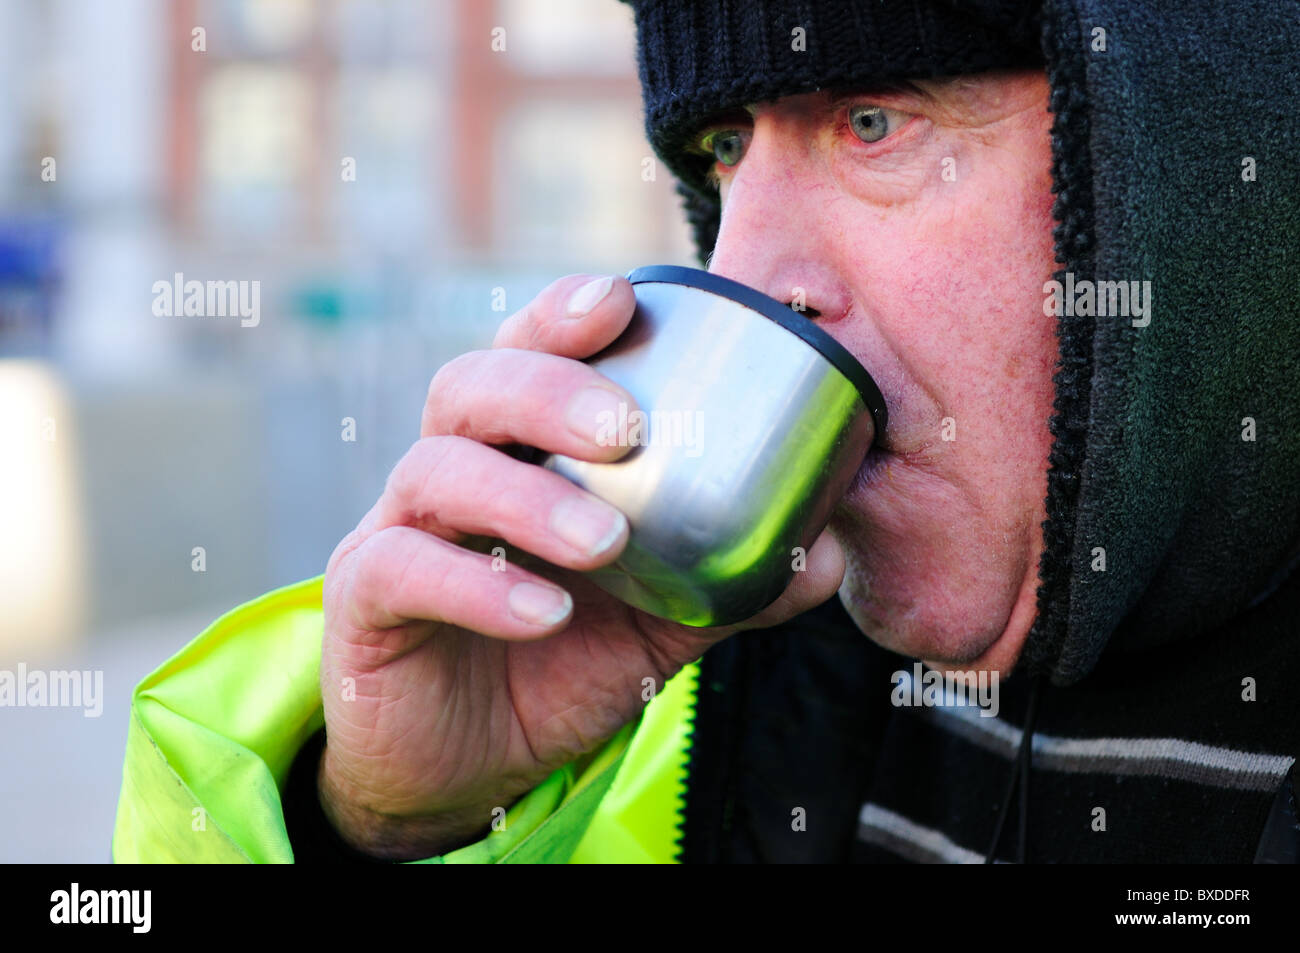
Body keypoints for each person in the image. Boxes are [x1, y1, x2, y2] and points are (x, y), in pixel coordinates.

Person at [113, 0, 1300, 863]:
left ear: (1187, 151)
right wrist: (390, 824)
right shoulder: (674, 683)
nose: (743, 274)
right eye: (724, 152)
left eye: (872, 123)